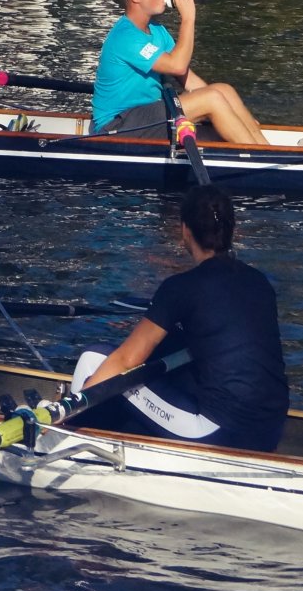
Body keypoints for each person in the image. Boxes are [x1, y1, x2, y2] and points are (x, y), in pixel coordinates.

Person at [69, 185, 288, 453]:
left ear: (185, 230)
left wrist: (76, 402)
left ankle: (69, 437)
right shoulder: (259, 281)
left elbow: (126, 360)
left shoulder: (181, 287)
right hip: (271, 429)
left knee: (95, 359)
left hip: (218, 432)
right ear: (232, 229)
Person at [91, 0, 268, 146]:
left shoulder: (157, 31)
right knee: (212, 98)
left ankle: (267, 151)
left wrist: (231, 111)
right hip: (118, 125)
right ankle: (260, 161)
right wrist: (188, 19)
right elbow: (177, 66)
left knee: (224, 90)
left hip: (148, 113)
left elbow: (188, 79)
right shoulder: (125, 37)